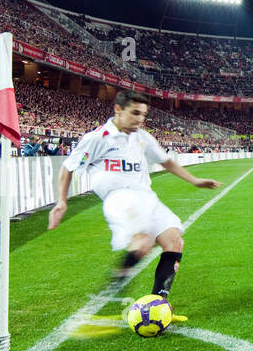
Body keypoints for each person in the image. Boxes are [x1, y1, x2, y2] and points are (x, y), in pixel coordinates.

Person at [47, 90, 221, 304]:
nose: (140, 119)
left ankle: (158, 302)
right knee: (143, 241)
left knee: (175, 241)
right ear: (118, 109)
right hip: (119, 199)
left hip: (147, 198)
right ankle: (111, 290)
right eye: (135, 113)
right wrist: (62, 201)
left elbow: (166, 161)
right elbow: (67, 168)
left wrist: (194, 180)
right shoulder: (97, 138)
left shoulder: (143, 138)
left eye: (143, 115)